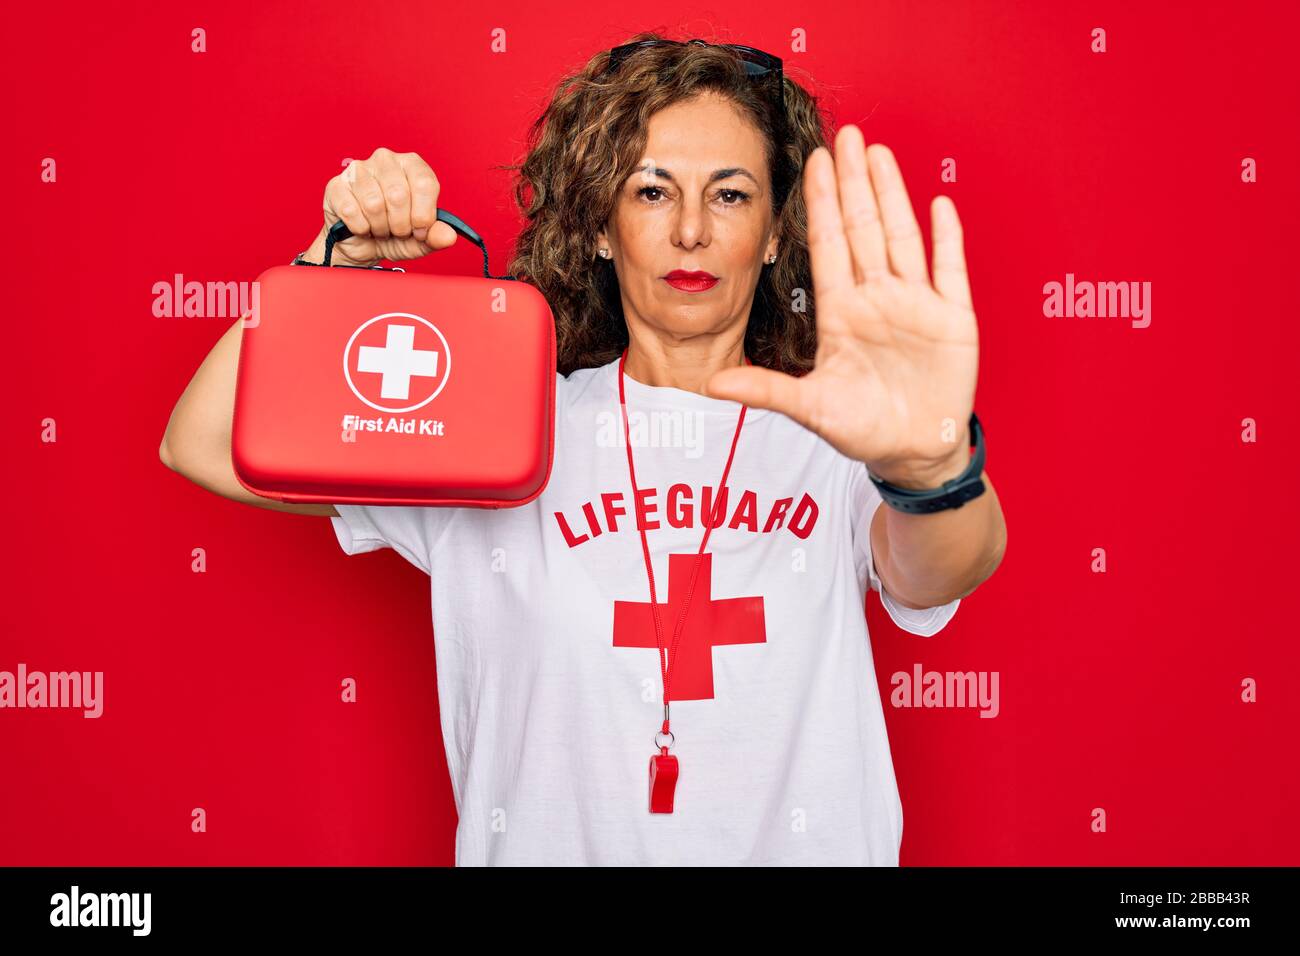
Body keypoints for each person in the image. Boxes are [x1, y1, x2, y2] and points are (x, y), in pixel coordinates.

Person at [160, 34, 1007, 865]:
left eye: (730, 195)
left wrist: (930, 469)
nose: (688, 232)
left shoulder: (842, 431)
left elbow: (943, 570)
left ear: (777, 232)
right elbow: (204, 441)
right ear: (601, 227)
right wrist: (333, 263)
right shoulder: (494, 426)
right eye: (650, 192)